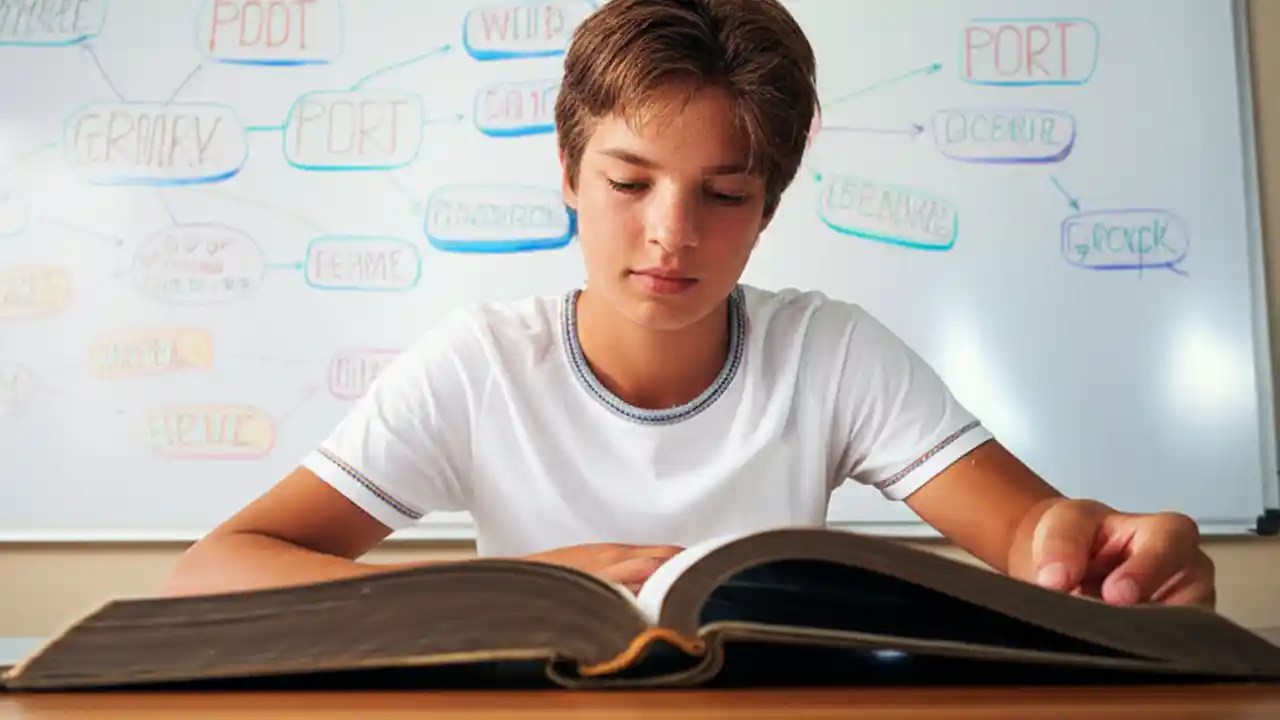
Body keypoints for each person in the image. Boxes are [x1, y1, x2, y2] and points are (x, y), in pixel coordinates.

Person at [164, 0, 1214, 607]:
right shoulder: (479, 363)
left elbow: (1032, 527)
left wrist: (1090, 550)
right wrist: (517, 588)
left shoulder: (828, 352)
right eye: (628, 184)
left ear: (766, 209)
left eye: (723, 195)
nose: (671, 234)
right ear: (568, 176)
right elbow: (212, 568)